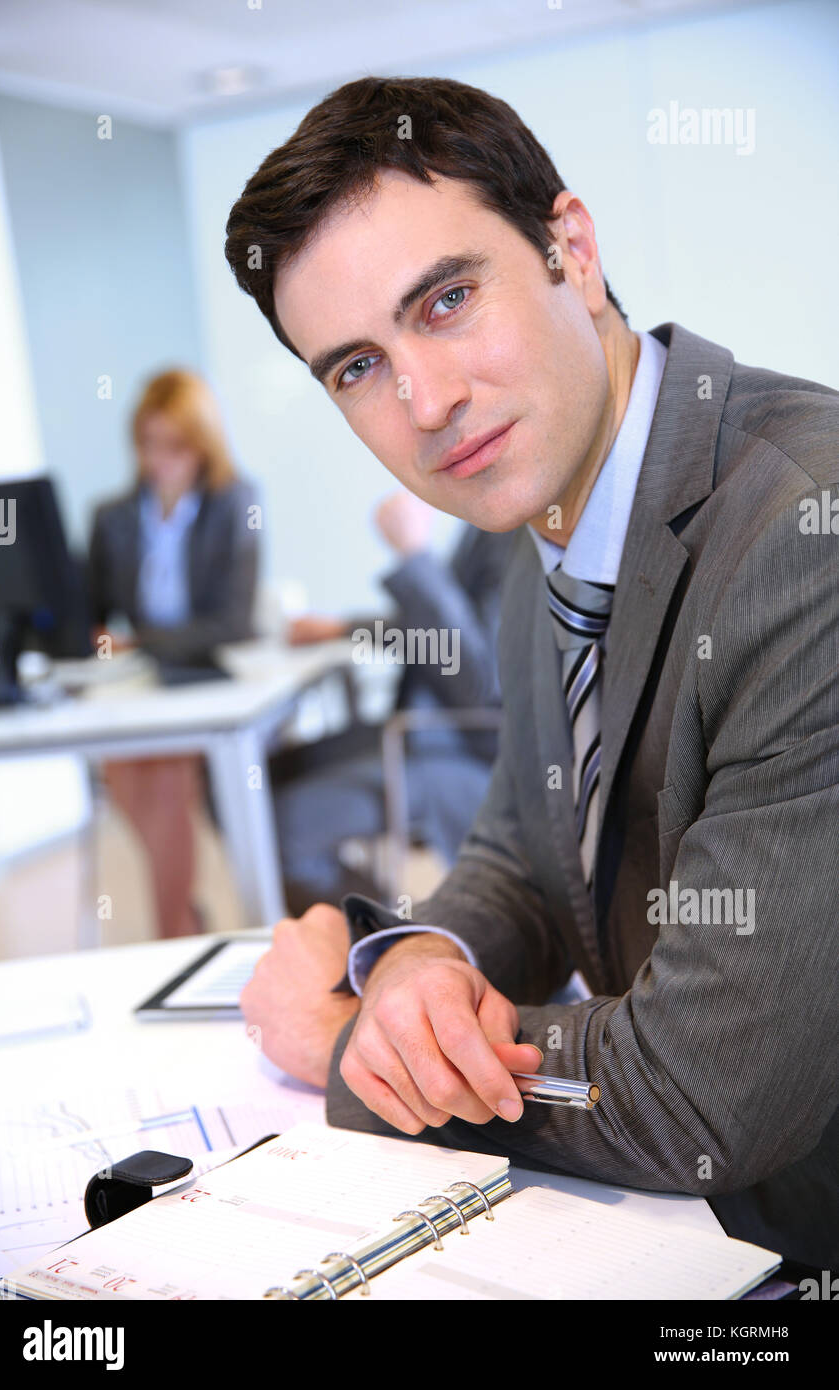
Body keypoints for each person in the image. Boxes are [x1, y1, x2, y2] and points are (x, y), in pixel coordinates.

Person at [225, 76, 839, 1268]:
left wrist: (346, 1042)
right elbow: (524, 856)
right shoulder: (542, 509)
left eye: (446, 300)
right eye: (355, 367)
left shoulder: (800, 538)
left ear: (570, 246)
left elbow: (700, 1096)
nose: (428, 404)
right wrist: (414, 963)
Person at [269, 487, 516, 914]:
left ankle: (378, 932)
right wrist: (343, 627)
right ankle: (379, 920)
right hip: (422, 730)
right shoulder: (489, 518)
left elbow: (477, 677)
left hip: (463, 750)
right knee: (261, 778)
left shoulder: (519, 530)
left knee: (275, 826)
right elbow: (444, 633)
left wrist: (414, 553)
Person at [88, 369, 259, 937]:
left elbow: (231, 623)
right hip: (137, 686)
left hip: (205, 682)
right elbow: (89, 609)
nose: (157, 460)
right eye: (147, 444)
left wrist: (143, 640)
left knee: (160, 769)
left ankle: (174, 928)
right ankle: (183, 923)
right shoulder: (111, 517)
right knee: (128, 763)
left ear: (202, 445)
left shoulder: (234, 504)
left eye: (173, 446)